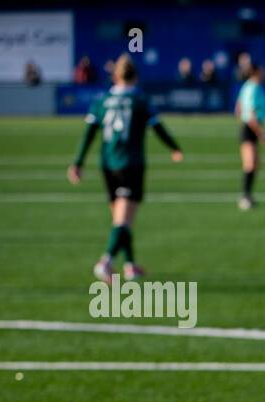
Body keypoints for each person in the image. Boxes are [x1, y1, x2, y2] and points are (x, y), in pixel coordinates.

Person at [67, 54, 183, 281]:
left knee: (120, 220)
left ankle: (130, 265)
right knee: (123, 220)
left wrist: (78, 163)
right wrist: (174, 148)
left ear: (115, 75)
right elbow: (158, 127)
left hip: (107, 165)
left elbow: (89, 134)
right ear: (136, 75)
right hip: (131, 164)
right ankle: (106, 261)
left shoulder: (101, 100)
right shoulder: (140, 100)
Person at [235, 63, 265, 210]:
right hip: (251, 128)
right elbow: (250, 113)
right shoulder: (252, 88)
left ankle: (248, 195)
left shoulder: (249, 86)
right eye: (262, 70)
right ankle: (244, 197)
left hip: (251, 127)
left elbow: (238, 107)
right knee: (250, 163)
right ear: (256, 72)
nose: (264, 73)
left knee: (255, 163)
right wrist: (260, 132)